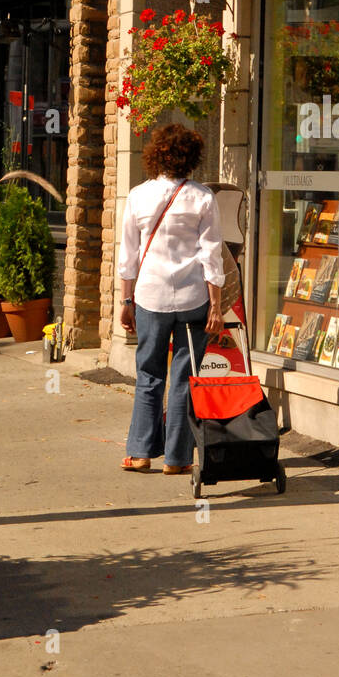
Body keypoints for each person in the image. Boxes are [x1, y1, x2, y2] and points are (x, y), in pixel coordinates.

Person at [117, 124, 225, 474]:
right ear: (191, 158)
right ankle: (177, 459)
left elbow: (128, 256)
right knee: (184, 377)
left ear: (156, 156)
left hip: (150, 296)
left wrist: (126, 302)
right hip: (194, 298)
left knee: (149, 374)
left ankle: (140, 452)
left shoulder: (138, 196)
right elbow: (211, 255)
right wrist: (216, 306)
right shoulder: (203, 197)